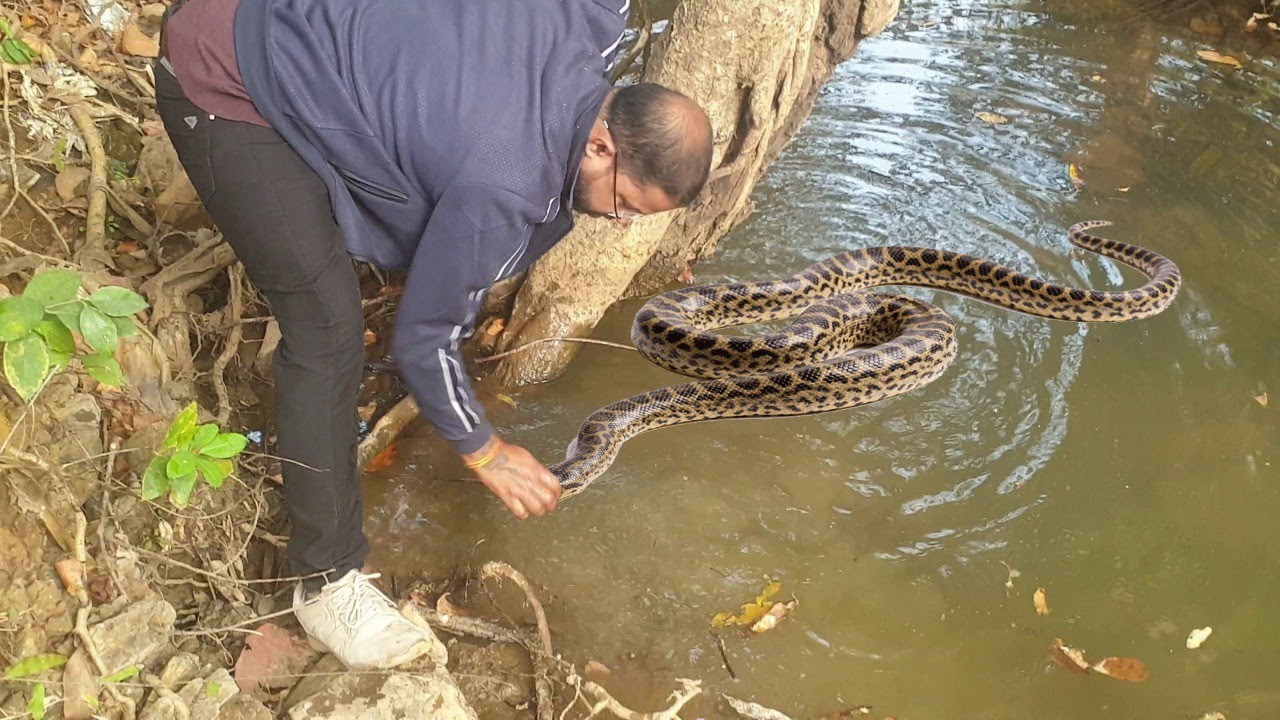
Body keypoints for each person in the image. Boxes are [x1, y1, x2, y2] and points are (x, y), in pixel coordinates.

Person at [155, 0, 713, 670]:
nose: (621, 222)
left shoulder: (587, 25)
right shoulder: (506, 186)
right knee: (327, 331)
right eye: (625, 202)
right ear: (599, 144)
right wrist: (485, 450)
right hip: (222, 77)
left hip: (292, 28)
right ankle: (325, 584)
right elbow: (425, 341)